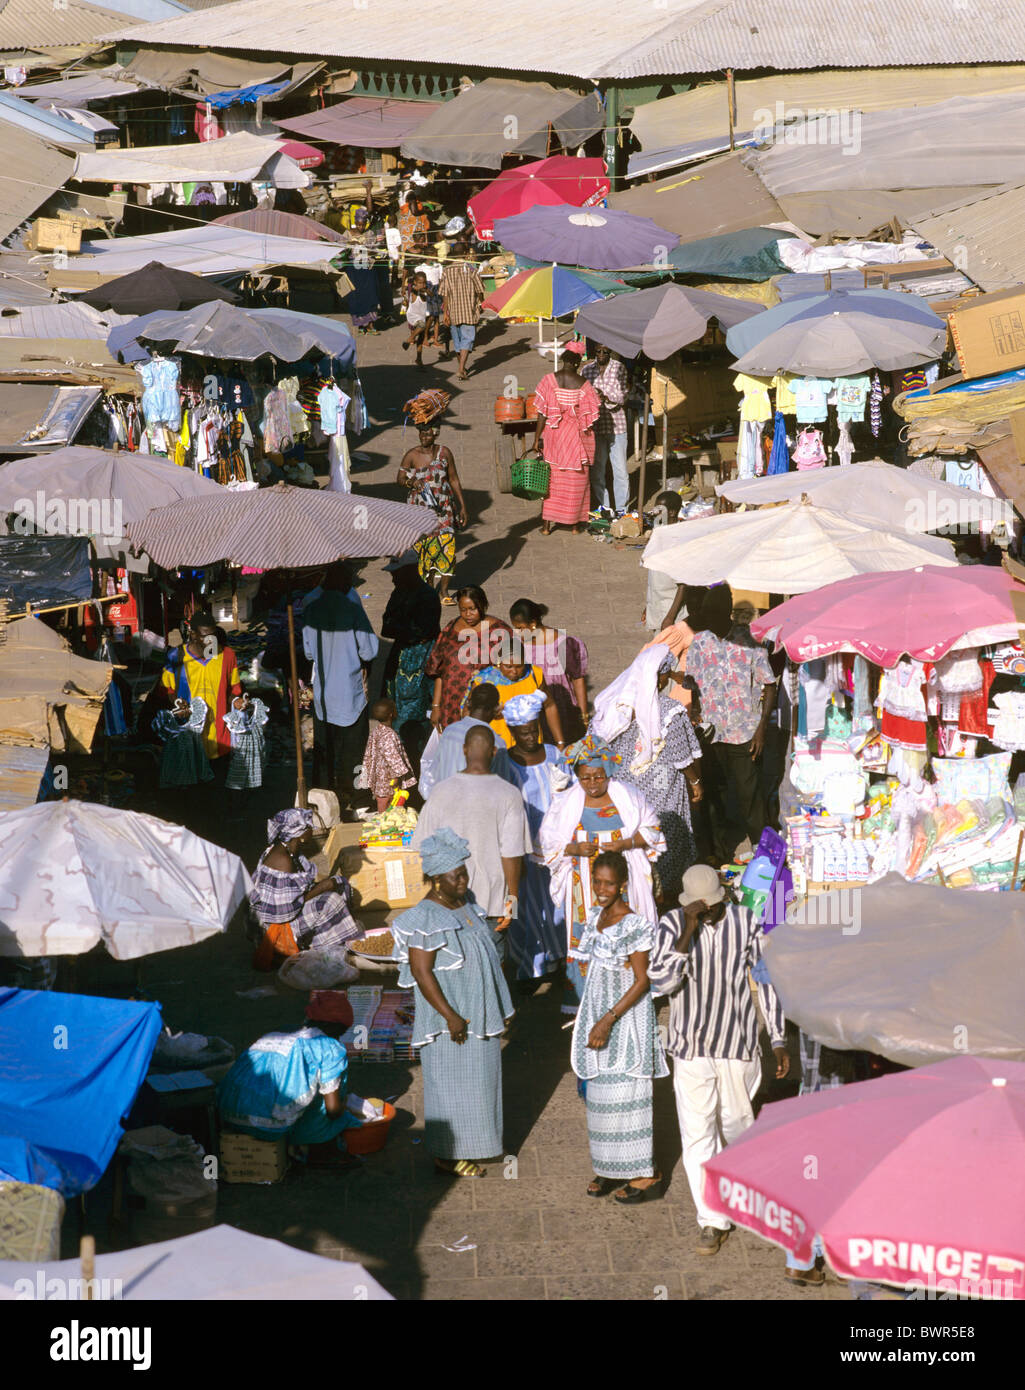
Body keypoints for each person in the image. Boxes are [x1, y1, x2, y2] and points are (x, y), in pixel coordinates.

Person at [648, 864, 789, 1255]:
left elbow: (767, 979)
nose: (705, 912)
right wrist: (687, 931)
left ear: (722, 899)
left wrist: (777, 1037)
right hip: (690, 1047)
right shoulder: (672, 926)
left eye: (709, 908)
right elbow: (662, 983)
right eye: (698, 908)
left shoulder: (748, 922)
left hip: (737, 1044)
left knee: (738, 1123)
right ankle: (712, 1219)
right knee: (697, 1135)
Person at [393, 828, 514, 1177]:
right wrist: (451, 1016)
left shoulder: (463, 902)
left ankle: (473, 1145)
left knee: (478, 1082)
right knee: (449, 1085)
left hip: (477, 1013)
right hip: (453, 1019)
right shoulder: (426, 917)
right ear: (435, 879)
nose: (463, 880)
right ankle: (446, 1155)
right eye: (455, 876)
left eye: (463, 873)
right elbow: (421, 970)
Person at [540, 735, 664, 1015]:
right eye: (585, 778)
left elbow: (652, 830)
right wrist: (572, 848)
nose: (593, 784)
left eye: (598, 777)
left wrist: (626, 844)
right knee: (588, 933)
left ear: (608, 771)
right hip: (584, 884)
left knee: (627, 930)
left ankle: (632, 995)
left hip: (624, 881)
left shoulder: (628, 797)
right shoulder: (566, 803)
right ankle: (589, 1002)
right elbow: (548, 842)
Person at [571, 851, 668, 1199]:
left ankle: (646, 1174)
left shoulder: (634, 924)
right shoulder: (595, 917)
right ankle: (610, 1168)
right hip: (597, 1016)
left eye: (609, 883)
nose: (601, 888)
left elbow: (642, 981)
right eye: (597, 881)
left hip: (623, 1020)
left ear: (623, 885)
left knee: (627, 1095)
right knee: (600, 1097)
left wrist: (608, 1020)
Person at [591, 646, 703, 903]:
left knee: (635, 842)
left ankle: (637, 890)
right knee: (666, 838)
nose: (666, 679)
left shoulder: (615, 702)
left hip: (626, 792)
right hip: (663, 792)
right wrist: (696, 782)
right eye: (665, 674)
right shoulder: (668, 710)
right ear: (658, 675)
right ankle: (667, 893)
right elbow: (681, 757)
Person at [412, 726, 531, 958]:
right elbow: (512, 854)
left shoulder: (440, 791)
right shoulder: (509, 794)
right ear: (494, 752)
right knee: (491, 971)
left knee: (453, 968)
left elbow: (424, 849)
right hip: (492, 902)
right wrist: (512, 903)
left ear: (464, 750)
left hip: (448, 900)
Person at [684, 588, 778, 860]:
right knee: (715, 795)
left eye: (713, 615)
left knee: (750, 797)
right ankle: (718, 854)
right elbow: (692, 683)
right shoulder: (700, 642)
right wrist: (696, 712)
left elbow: (769, 686)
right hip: (711, 734)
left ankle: (766, 854)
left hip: (744, 732)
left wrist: (761, 729)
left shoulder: (749, 641)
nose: (709, 621)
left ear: (727, 612)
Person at [218, 998, 360, 1168]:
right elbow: (333, 1111)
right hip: (267, 1126)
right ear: (338, 1027)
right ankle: (320, 1150)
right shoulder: (329, 1047)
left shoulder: (278, 1033)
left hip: (228, 1113)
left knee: (309, 1083)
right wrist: (346, 1107)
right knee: (331, 1087)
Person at [501, 691, 569, 984]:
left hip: (557, 849)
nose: (530, 737)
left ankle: (557, 959)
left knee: (557, 906)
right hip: (522, 850)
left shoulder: (555, 754)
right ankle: (528, 968)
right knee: (524, 908)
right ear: (513, 732)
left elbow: (571, 795)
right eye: (523, 733)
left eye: (533, 730)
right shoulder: (504, 764)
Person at [302, 564, 380, 811]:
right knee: (355, 751)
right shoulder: (352, 607)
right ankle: (358, 799)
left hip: (324, 695)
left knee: (325, 751)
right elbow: (370, 649)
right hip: (350, 694)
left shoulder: (310, 606)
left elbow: (308, 652)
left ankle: (324, 797)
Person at [250, 809, 363, 965]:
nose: (313, 830)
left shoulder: (290, 852)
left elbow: (298, 890)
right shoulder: (283, 860)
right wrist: (322, 887)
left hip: (283, 915)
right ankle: (328, 953)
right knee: (330, 901)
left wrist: (325, 885)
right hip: (275, 928)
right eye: (310, 827)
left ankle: (329, 940)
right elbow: (285, 912)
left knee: (339, 883)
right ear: (300, 833)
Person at [532, 341, 602, 535]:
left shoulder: (548, 380)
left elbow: (541, 413)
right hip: (576, 439)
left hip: (554, 436)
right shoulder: (585, 386)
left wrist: (537, 438)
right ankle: (574, 526)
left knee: (552, 481)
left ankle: (546, 526)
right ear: (579, 362)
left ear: (562, 358)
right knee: (576, 481)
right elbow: (591, 416)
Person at [160, 611, 245, 770]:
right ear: (192, 634)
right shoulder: (176, 656)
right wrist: (177, 704)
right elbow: (167, 690)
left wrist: (236, 700)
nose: (211, 641)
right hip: (189, 738)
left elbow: (234, 689)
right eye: (205, 636)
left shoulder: (227, 655)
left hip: (220, 740)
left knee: (219, 786)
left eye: (213, 635)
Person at [398, 421, 468, 606]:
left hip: (444, 508)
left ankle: (444, 591)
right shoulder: (412, 455)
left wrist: (462, 506)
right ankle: (428, 587)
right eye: (422, 434)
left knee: (448, 547)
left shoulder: (444, 453)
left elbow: (453, 479)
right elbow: (400, 478)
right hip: (420, 511)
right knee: (425, 549)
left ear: (435, 434)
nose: (424, 438)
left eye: (428, 434)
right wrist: (412, 483)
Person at [424, 585, 512, 727]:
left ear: (483, 605)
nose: (467, 614)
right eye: (463, 610)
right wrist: (435, 706)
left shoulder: (500, 631)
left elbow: (513, 670)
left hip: (485, 706)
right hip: (451, 703)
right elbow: (439, 671)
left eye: (472, 609)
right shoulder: (451, 629)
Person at [380, 549, 442, 737]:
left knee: (416, 716)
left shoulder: (428, 596)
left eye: (396, 573)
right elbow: (386, 627)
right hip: (400, 659)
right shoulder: (398, 593)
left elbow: (422, 632)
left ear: (410, 569)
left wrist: (402, 628)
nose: (393, 578)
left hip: (420, 661)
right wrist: (406, 629)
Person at [509, 598, 590, 742]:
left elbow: (578, 680)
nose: (517, 632)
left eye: (520, 628)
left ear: (533, 624)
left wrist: (583, 715)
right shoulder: (518, 644)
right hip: (531, 710)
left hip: (560, 708)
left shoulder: (564, 644)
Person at [419, 682, 512, 797]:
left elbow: (432, 774)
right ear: (496, 709)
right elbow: (502, 786)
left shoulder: (449, 731)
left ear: (468, 703)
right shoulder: (497, 743)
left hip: (442, 801)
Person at [464, 648, 566, 750]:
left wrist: (560, 742)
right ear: (499, 663)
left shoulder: (534, 674)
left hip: (529, 743)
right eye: (508, 666)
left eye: (519, 666)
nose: (514, 671)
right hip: (496, 745)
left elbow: (549, 705)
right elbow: (468, 712)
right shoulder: (484, 680)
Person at [581, 343, 631, 516]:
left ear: (610, 353)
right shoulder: (587, 371)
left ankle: (622, 510)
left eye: (605, 352)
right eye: (598, 352)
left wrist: (605, 397)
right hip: (595, 428)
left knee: (621, 472)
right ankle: (605, 508)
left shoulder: (619, 368)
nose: (601, 354)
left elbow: (623, 396)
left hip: (617, 426)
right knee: (597, 471)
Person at [644, 492, 689, 633]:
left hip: (671, 614)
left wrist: (670, 617)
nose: (654, 513)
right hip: (657, 608)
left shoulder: (678, 541)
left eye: (659, 509)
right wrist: (648, 607)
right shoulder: (659, 534)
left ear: (672, 512)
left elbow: (683, 585)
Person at [440, 239, 484, 380]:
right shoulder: (471, 269)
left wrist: (445, 313)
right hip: (469, 311)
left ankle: (462, 368)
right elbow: (480, 289)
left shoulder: (446, 271)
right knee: (467, 340)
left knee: (458, 342)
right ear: (465, 254)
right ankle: (461, 369)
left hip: (453, 312)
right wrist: (482, 303)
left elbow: (444, 294)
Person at [362, 698, 416, 810]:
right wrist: (397, 776)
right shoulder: (389, 735)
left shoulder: (376, 731)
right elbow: (392, 757)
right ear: (391, 714)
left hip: (378, 776)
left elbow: (369, 753)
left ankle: (384, 821)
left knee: (382, 800)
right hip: (388, 778)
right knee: (389, 803)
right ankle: (385, 823)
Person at [402, 268, 431, 368]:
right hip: (413, 316)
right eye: (419, 283)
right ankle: (409, 339)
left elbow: (431, 294)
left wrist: (425, 289)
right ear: (415, 282)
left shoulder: (425, 292)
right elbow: (411, 290)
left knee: (421, 339)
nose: (421, 285)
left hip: (421, 316)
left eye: (423, 283)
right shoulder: (413, 291)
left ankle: (419, 359)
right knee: (422, 326)